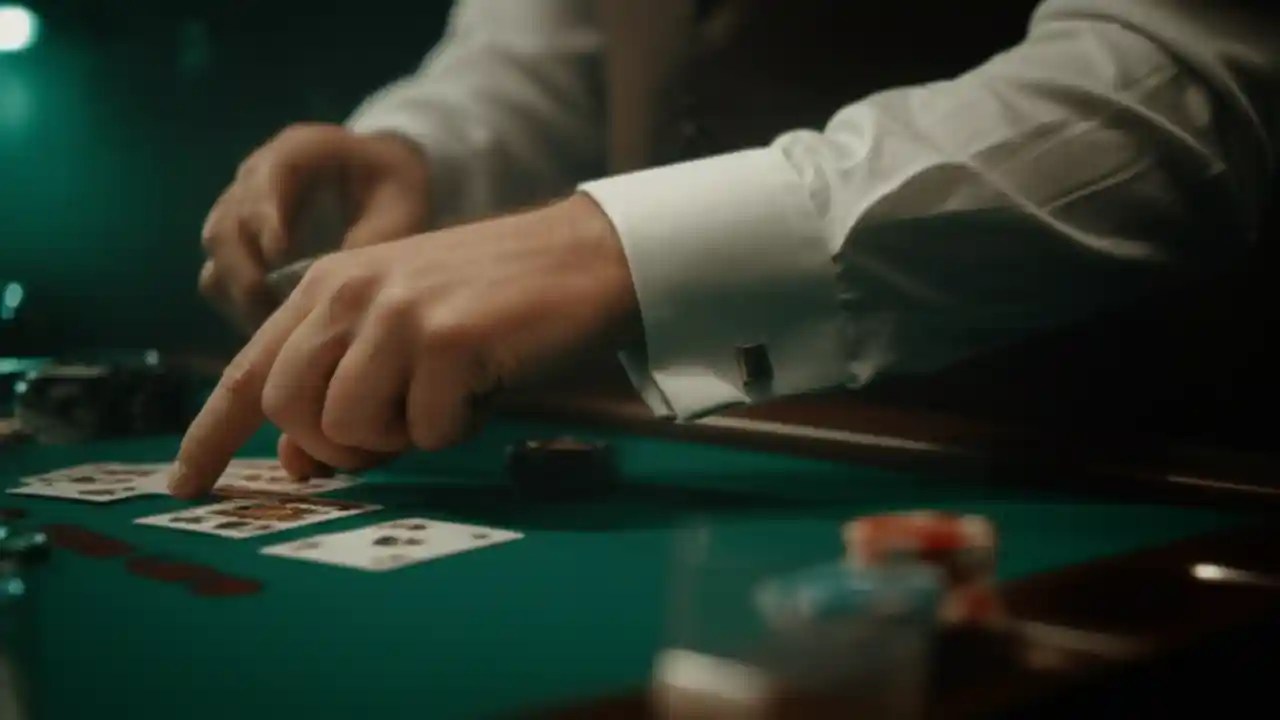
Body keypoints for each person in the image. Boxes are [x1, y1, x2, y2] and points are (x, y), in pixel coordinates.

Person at [172, 0, 1279, 497]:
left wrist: (619, 245)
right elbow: (539, 52)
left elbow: (1193, 76)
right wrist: (420, 153)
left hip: (1100, 462)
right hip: (684, 454)